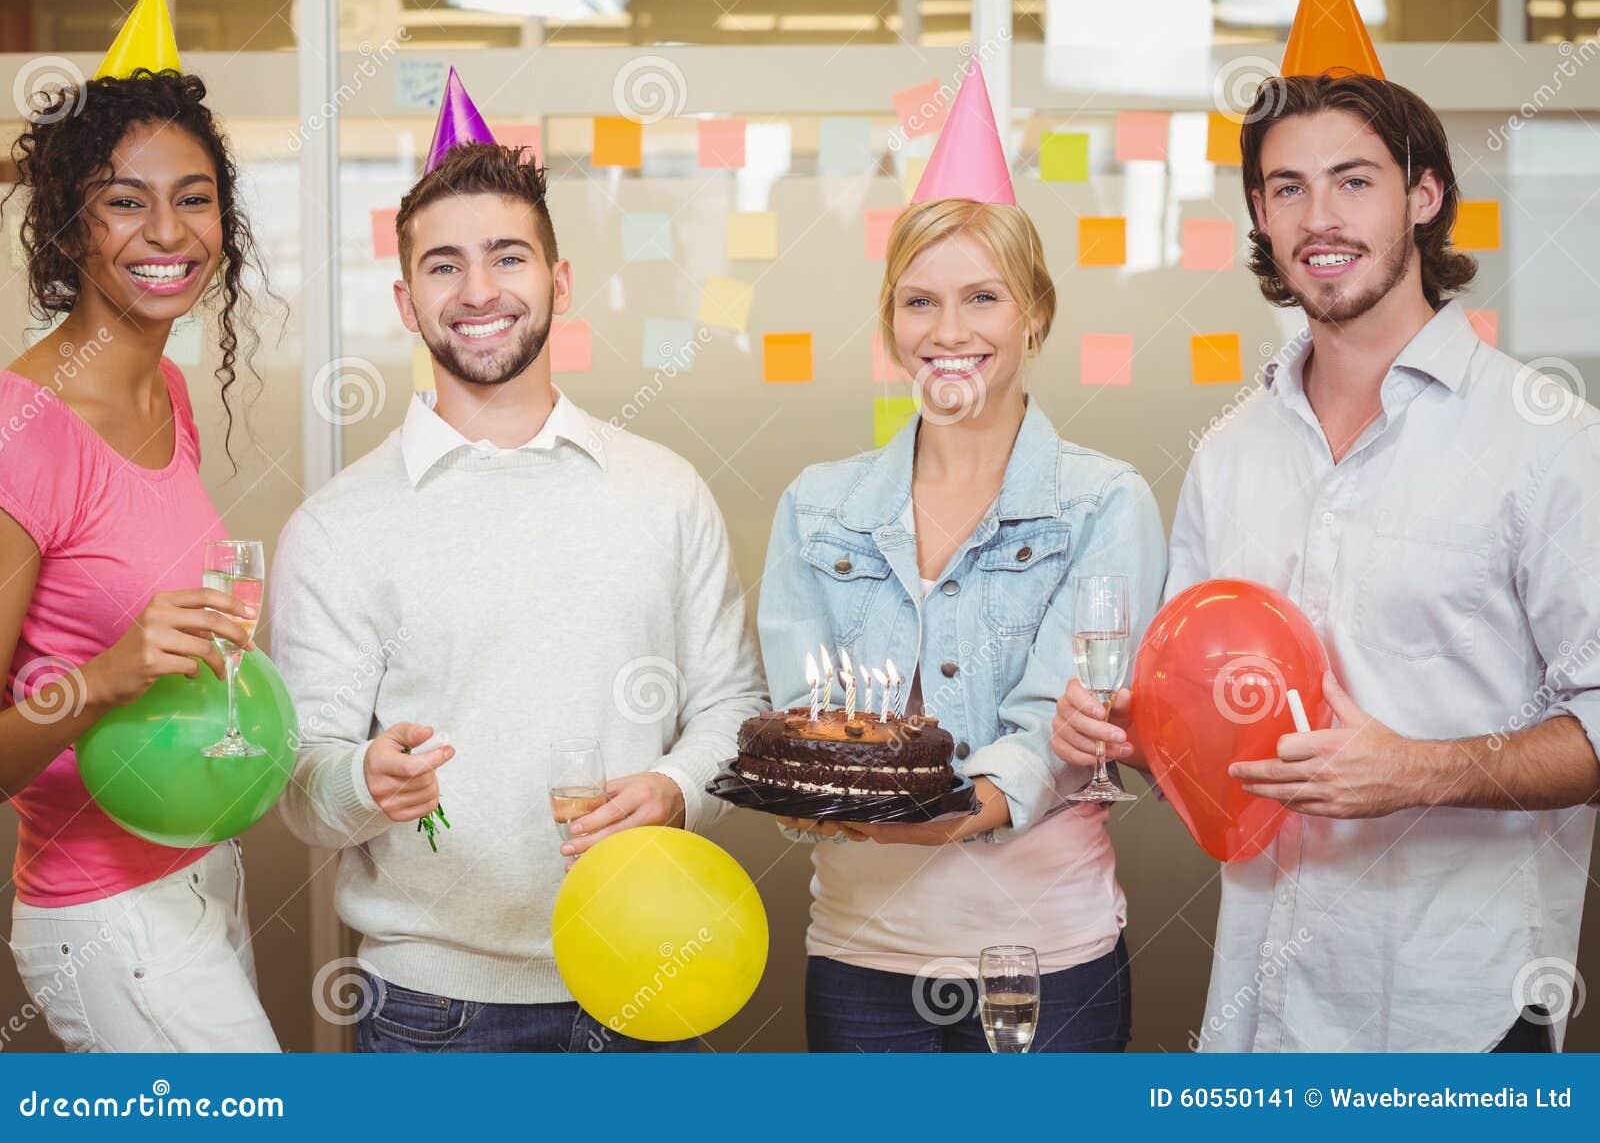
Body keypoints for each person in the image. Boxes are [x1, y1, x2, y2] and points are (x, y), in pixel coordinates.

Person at [1052, 71, 1600, 1052]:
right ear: (1260, 214)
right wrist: (1140, 733)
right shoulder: (1229, 452)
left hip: (1460, 1018)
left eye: (1353, 181)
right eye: (1288, 188)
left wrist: (1419, 770)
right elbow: (1206, 719)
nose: (1319, 218)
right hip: (1260, 1013)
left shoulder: (1549, 440)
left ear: (1422, 194)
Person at [269, 136, 767, 1053]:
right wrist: (363, 778)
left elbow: (734, 704)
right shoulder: (338, 526)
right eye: (443, 265)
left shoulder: (663, 490)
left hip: (650, 975)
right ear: (405, 301)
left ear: (559, 281)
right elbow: (300, 782)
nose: (478, 291)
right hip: (433, 1014)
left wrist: (675, 788)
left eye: (507, 257)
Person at [757, 63, 1166, 1053]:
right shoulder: (817, 508)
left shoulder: (1103, 502)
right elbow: (809, 723)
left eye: (982, 297)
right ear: (890, 322)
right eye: (919, 302)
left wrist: (941, 808)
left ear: (1034, 313)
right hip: (861, 956)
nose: (948, 333)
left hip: (1044, 958)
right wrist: (823, 786)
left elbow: (1054, 730)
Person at [0, 67, 277, 1051]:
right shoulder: (23, 431)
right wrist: (109, 675)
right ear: (70, 230)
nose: (167, 232)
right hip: (107, 915)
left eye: (193, 199)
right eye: (125, 202)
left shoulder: (169, 394)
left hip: (199, 872)